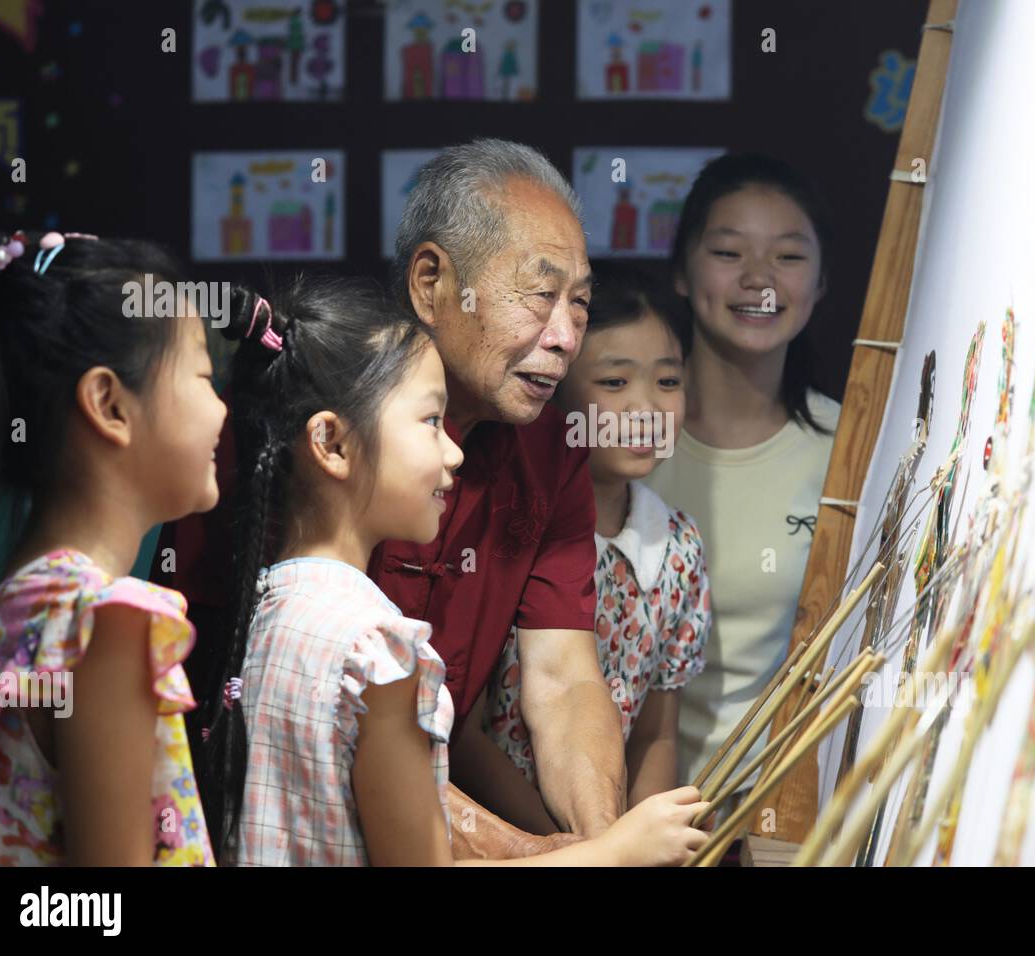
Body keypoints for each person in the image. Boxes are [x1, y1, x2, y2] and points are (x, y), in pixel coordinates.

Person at [157, 140, 630, 856]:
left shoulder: (553, 451)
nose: (564, 338)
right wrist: (557, 856)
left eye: (581, 305)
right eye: (539, 296)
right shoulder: (305, 431)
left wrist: (605, 841)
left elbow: (564, 683)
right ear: (432, 281)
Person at [208, 276, 708, 865]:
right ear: (333, 444)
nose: (454, 452)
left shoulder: (275, 612)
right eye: (429, 422)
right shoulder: (380, 651)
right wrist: (614, 854)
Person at [0, 231, 225, 865]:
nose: (223, 409)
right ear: (110, 403)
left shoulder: (21, 597)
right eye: (202, 373)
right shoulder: (105, 620)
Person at [482, 261, 712, 828]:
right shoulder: (510, 525)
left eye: (668, 381)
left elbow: (657, 732)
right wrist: (569, 847)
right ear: (556, 391)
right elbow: (462, 729)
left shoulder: (679, 547)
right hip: (501, 834)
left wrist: (635, 839)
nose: (646, 409)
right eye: (614, 382)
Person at [643, 154, 842, 801]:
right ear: (681, 270)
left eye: (788, 257)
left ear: (821, 281)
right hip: (623, 819)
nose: (759, 279)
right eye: (729, 252)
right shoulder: (619, 440)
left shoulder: (853, 447)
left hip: (781, 822)